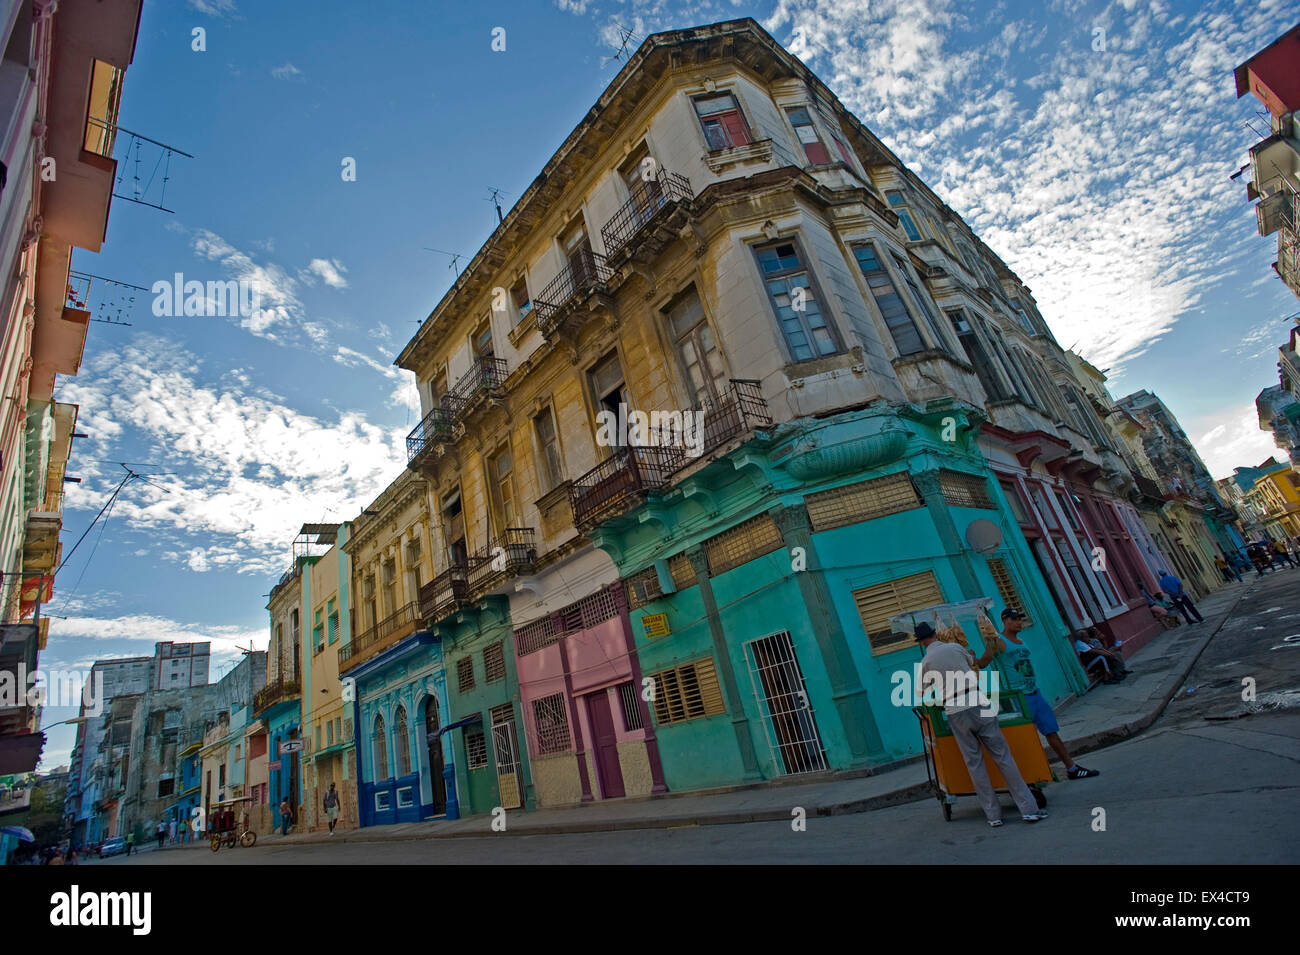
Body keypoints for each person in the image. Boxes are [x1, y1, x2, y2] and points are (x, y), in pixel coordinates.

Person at [916, 621, 1046, 827]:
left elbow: (921, 692)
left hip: (954, 710)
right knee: (1002, 756)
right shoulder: (955, 648)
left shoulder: (925, 662)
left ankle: (993, 815)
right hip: (977, 701)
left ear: (921, 642)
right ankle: (1029, 809)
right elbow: (972, 664)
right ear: (935, 634)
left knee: (974, 763)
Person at [993, 610, 1100, 779]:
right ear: (1004, 621)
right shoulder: (999, 642)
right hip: (1021, 697)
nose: (1019, 622)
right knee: (1028, 738)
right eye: (1014, 619)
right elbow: (984, 662)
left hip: (1035, 693)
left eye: (1020, 619)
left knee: (1051, 732)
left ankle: (1072, 768)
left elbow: (1022, 666)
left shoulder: (1021, 641)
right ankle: (1035, 774)